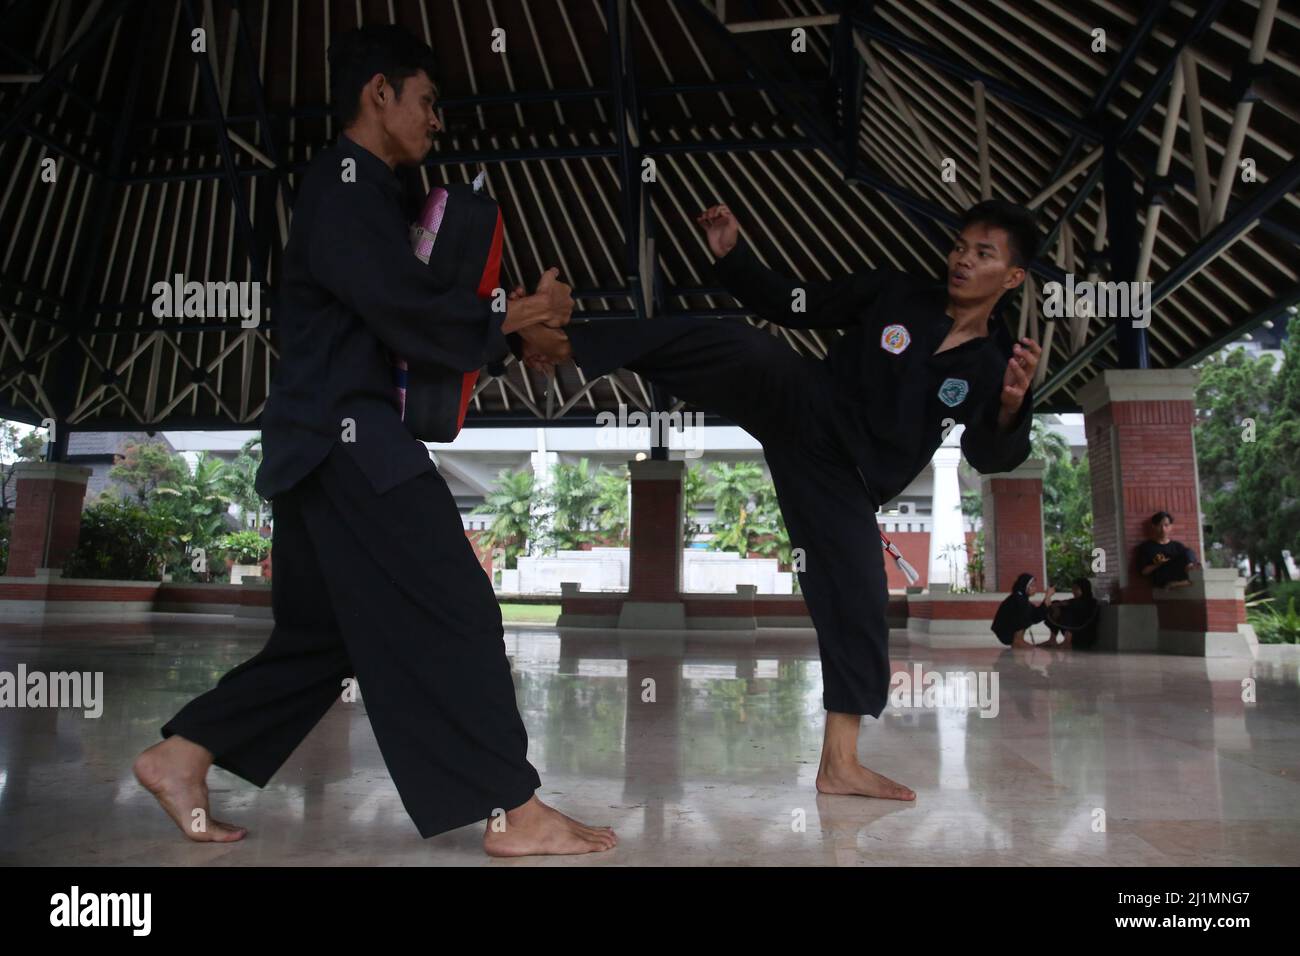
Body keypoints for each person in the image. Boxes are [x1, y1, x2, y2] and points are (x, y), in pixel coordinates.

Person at [134, 25, 616, 857]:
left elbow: (401, 314)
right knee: (459, 603)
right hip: (348, 433)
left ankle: (181, 755)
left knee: (325, 641)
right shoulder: (344, 184)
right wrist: (509, 317)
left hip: (319, 441)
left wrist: (507, 331)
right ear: (379, 94)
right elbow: (403, 307)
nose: (436, 120)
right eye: (426, 101)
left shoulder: (373, 197)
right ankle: (514, 810)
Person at [523, 199, 1042, 801]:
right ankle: (566, 346)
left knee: (859, 594)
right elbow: (795, 303)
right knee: (746, 347)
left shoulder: (994, 365)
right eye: (960, 245)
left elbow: (990, 455)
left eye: (983, 254)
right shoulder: (896, 294)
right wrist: (733, 257)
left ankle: (840, 764)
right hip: (808, 406)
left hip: (847, 479)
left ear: (1012, 277)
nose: (961, 259)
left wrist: (1009, 407)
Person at [1136, 510, 1200, 589]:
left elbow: (1187, 556)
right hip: (1161, 576)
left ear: (1171, 526)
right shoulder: (1146, 547)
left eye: (1166, 525)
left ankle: (1185, 578)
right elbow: (1144, 572)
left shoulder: (1177, 546)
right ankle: (1183, 581)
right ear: (1153, 526)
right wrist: (1158, 564)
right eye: (1160, 525)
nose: (1163, 529)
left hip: (1177, 574)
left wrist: (1189, 564)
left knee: (1188, 551)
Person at [991, 573, 1055, 648]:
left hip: (1006, 632)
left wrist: (1048, 596)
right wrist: (1047, 597)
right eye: (1032, 586)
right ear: (1025, 586)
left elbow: (1037, 615)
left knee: (1030, 613)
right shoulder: (1017, 599)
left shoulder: (1021, 598)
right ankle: (1018, 640)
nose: (1035, 588)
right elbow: (1028, 616)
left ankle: (1019, 640)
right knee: (1025, 614)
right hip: (1005, 632)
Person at [1043, 577, 1101, 649]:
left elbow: (1068, 606)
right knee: (1056, 609)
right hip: (1076, 635)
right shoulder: (1075, 601)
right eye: (1073, 588)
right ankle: (1052, 639)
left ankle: (1067, 642)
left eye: (1076, 589)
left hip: (1084, 637)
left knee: (1068, 611)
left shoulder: (1090, 603)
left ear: (1084, 589)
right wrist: (1056, 609)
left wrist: (1049, 598)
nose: (1073, 591)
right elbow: (1056, 604)